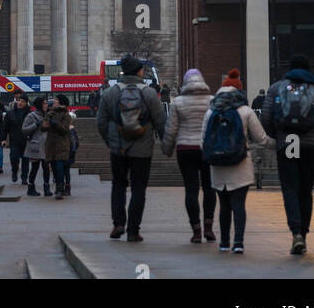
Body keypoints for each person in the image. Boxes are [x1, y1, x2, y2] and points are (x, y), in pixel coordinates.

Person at [261, 52, 314, 256]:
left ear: (289, 69)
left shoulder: (277, 88)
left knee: (290, 189)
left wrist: (277, 135)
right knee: (305, 192)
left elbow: (265, 118)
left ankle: (296, 233)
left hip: (288, 144)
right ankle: (304, 234)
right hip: (309, 147)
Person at [202, 68, 273, 253]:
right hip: (240, 162)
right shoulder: (245, 111)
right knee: (239, 205)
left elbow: (204, 140)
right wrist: (281, 144)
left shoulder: (211, 112)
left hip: (218, 166)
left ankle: (224, 243)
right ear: (239, 91)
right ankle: (238, 243)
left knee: (224, 205)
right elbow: (261, 138)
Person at [96, 54, 165, 241]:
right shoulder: (149, 93)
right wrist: (166, 145)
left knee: (118, 185)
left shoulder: (110, 93)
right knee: (139, 188)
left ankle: (118, 224)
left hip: (118, 149)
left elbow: (101, 122)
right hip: (142, 150)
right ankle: (134, 230)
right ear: (139, 71)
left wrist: (110, 141)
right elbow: (161, 121)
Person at [162, 67, 216, 243]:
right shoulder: (212, 101)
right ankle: (209, 226)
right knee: (209, 188)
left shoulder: (178, 102)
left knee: (191, 189)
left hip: (185, 149)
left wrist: (167, 149)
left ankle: (196, 230)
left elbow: (171, 129)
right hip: (206, 149)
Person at [23, 96, 51, 197]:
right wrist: (36, 124)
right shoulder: (31, 116)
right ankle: (31, 188)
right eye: (44, 103)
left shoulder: (48, 115)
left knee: (46, 168)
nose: (46, 105)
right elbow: (25, 129)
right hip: (36, 145)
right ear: (39, 105)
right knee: (35, 167)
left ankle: (47, 188)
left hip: (46, 145)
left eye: (46, 103)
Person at [46, 94, 73, 199]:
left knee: (60, 168)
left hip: (61, 145)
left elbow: (64, 129)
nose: (54, 101)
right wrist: (45, 123)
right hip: (51, 144)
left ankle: (61, 189)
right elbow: (44, 128)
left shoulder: (66, 115)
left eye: (56, 99)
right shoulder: (50, 113)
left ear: (61, 102)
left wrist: (55, 123)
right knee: (54, 168)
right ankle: (58, 187)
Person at [4, 92, 30, 184]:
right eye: (19, 101)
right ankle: (14, 171)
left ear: (26, 103)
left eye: (22, 101)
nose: (20, 103)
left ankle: (24, 178)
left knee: (25, 160)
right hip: (14, 140)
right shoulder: (10, 113)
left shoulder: (29, 114)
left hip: (26, 140)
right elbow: (5, 127)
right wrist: (3, 139)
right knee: (14, 158)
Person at [67, 112, 79, 194]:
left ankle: (63, 187)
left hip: (68, 151)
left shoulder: (72, 129)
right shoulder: (71, 129)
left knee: (65, 170)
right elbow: (76, 143)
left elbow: (75, 142)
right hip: (68, 151)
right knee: (66, 171)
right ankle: (65, 187)